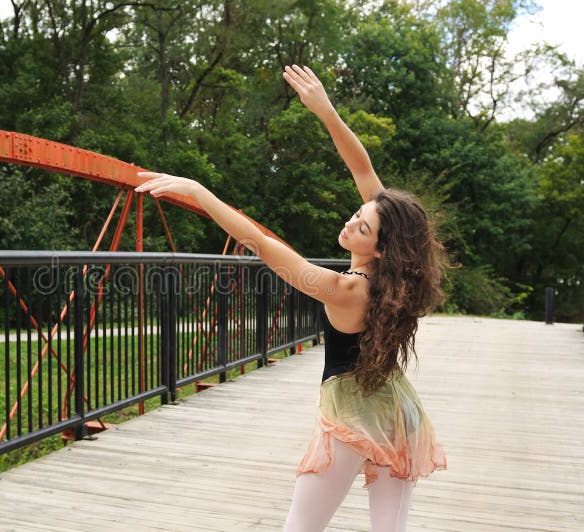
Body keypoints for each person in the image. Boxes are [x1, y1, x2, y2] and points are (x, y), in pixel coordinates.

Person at [135, 64, 446, 531]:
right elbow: (361, 167)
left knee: (300, 527)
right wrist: (325, 111)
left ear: (379, 244)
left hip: (352, 415)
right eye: (357, 213)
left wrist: (198, 191)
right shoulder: (396, 271)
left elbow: (260, 244)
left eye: (360, 227)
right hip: (397, 410)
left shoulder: (345, 289)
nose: (350, 222)